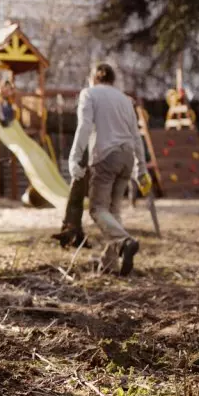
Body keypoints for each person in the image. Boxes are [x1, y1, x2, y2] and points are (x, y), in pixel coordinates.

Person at [68, 63, 150, 276]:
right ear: (113, 80)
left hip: (105, 157)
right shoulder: (125, 100)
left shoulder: (89, 93)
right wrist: (141, 168)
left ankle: (125, 241)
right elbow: (136, 135)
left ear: (94, 78)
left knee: (97, 209)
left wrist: (75, 158)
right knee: (113, 212)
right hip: (126, 159)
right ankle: (110, 264)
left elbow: (84, 126)